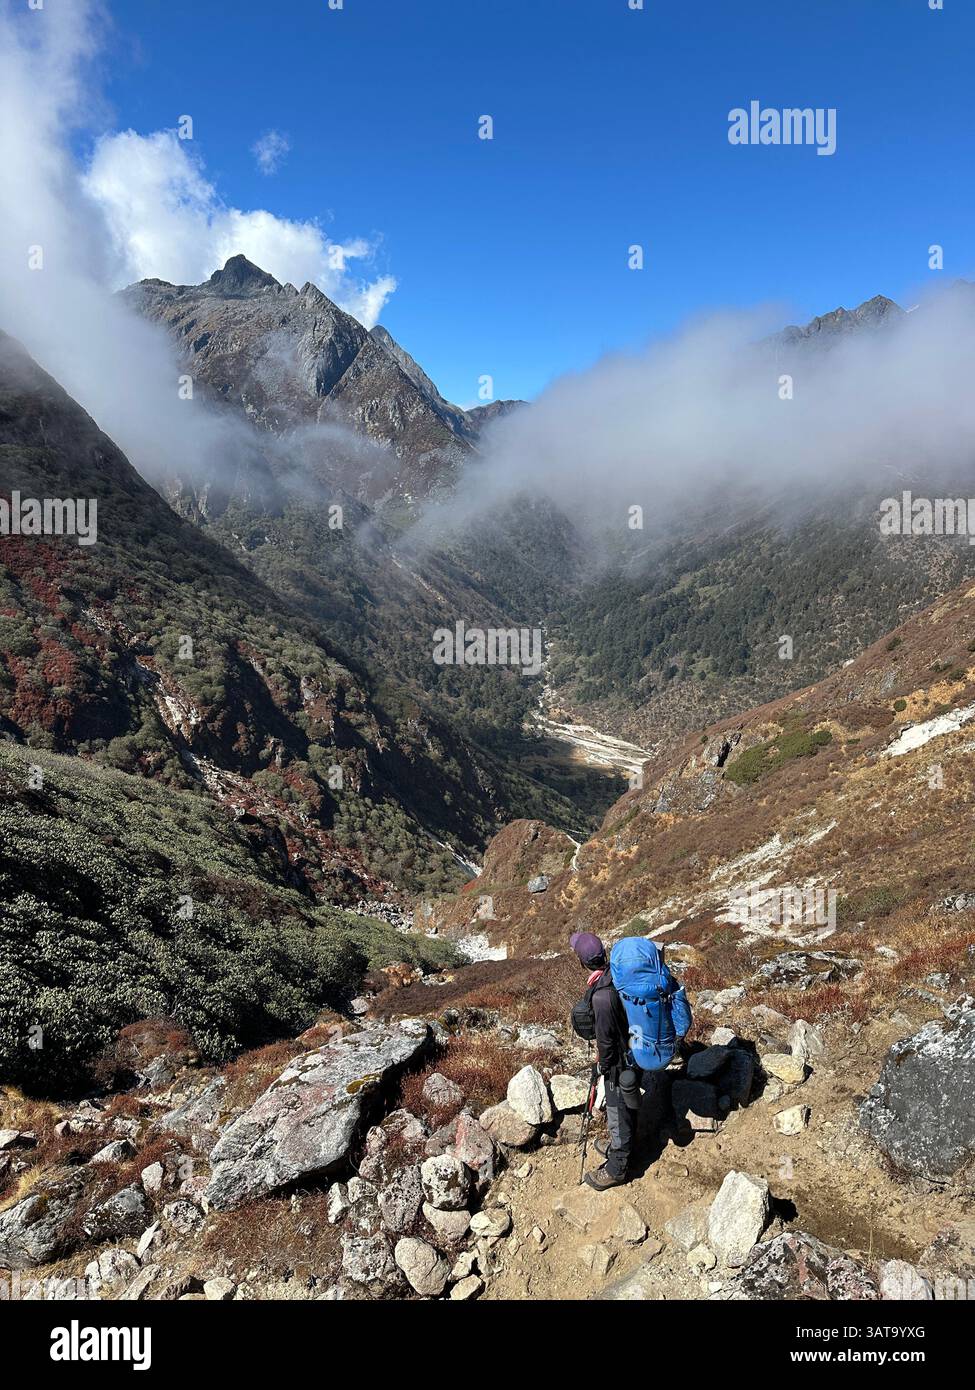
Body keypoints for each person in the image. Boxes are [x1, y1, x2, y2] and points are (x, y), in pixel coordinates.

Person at [570, 931, 640, 1190]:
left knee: (616, 1108)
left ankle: (617, 1167)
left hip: (619, 1062)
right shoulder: (616, 975)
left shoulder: (601, 996)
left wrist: (603, 1067)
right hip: (635, 1050)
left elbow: (607, 1041)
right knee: (628, 1104)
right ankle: (625, 1144)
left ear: (582, 962)